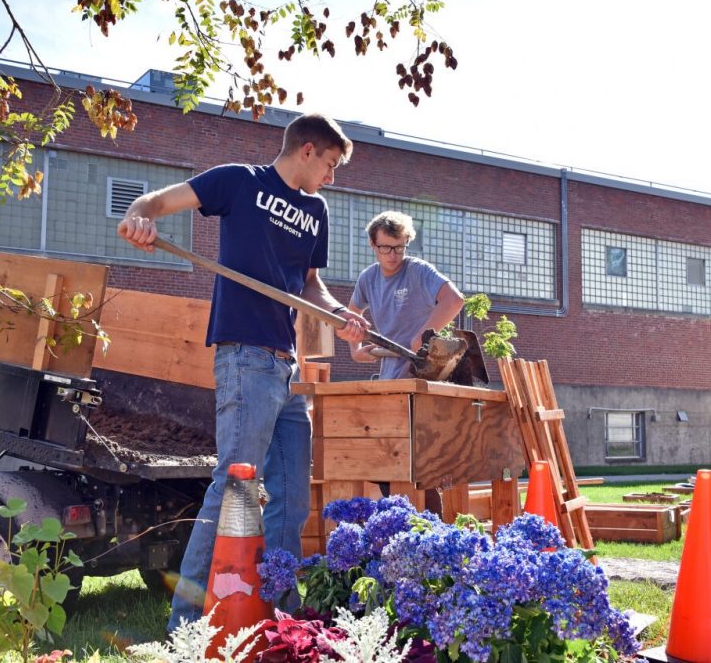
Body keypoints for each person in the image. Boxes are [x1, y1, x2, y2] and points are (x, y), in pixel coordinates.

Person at [116, 113, 368, 628]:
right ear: (307, 150)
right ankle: (186, 623)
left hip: (286, 366)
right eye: (331, 163)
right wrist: (139, 218)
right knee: (233, 488)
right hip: (244, 359)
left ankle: (279, 617)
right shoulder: (239, 182)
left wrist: (338, 314)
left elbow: (308, 285)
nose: (333, 176)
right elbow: (156, 203)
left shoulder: (315, 211)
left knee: (292, 497)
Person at [347, 210, 465, 379]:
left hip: (421, 373)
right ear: (373, 244)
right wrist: (355, 350)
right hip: (388, 374)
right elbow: (352, 315)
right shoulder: (368, 278)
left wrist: (422, 337)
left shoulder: (418, 271)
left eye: (399, 247)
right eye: (386, 248)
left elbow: (454, 300)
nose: (393, 255)